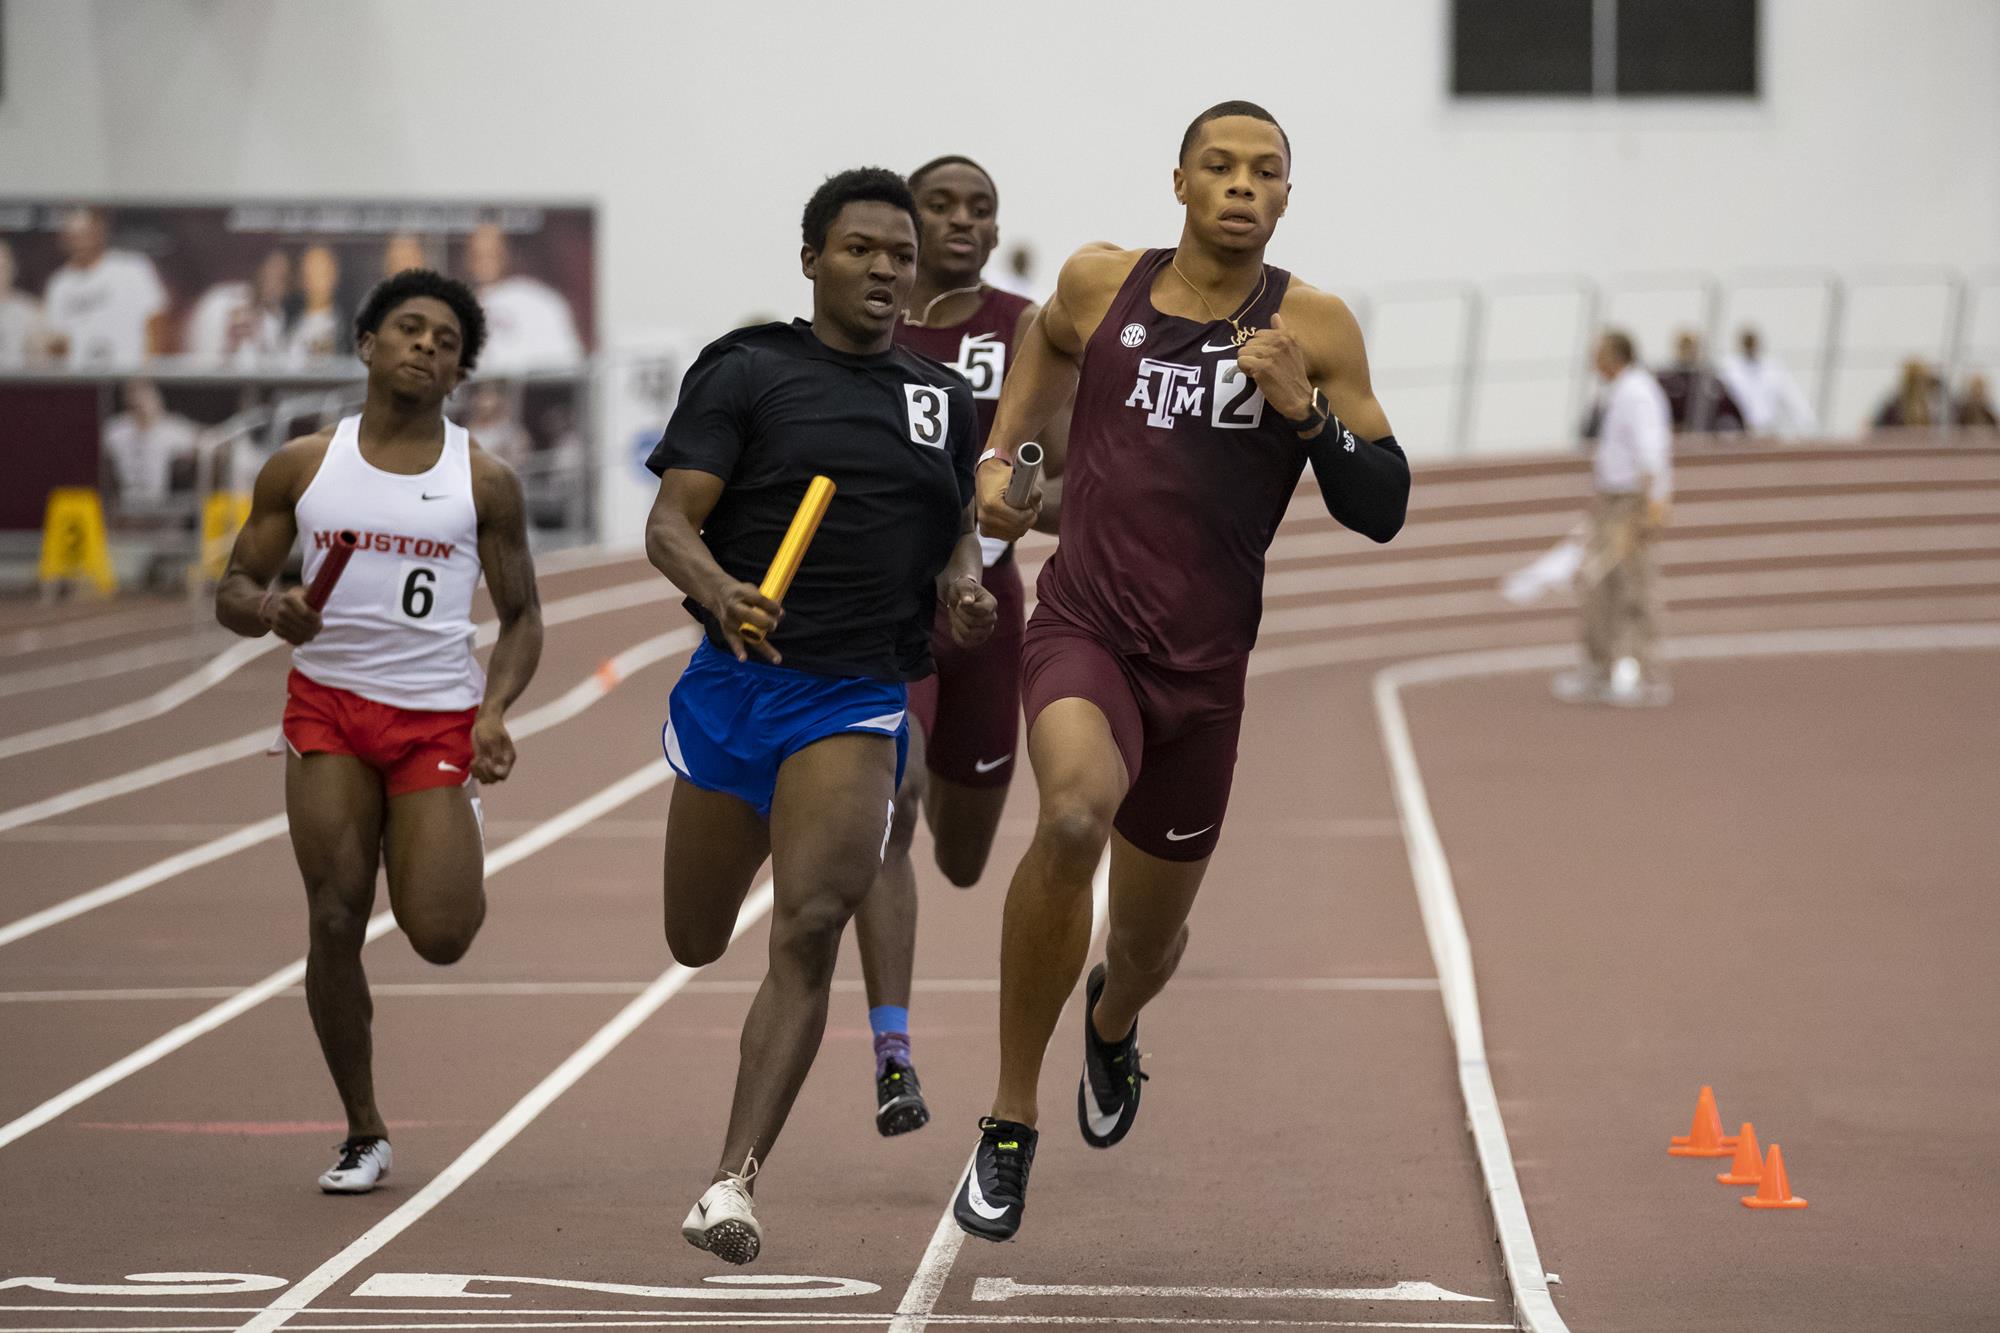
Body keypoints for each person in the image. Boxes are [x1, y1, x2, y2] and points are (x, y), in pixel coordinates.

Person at [951, 101, 1410, 1242]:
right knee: (1067, 820)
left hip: (1203, 673)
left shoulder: (1314, 323)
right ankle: (1008, 1123)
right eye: (1220, 166)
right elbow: (1043, 344)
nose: (1241, 185)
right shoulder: (1098, 280)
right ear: (1179, 182)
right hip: (1083, 628)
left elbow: (1383, 507)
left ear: (1286, 198)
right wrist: (1005, 455)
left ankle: (1111, 1022)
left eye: (1265, 172)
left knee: (1148, 946)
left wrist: (1305, 413)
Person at [645, 168, 995, 1264]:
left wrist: (963, 581)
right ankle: (733, 1155)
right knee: (694, 938)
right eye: (860, 250)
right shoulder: (747, 372)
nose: (886, 268)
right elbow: (668, 523)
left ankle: (731, 1181)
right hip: (732, 692)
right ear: (811, 260)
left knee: (807, 929)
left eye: (898, 252)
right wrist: (718, 592)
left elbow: (953, 528)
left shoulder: (938, 397)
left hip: (852, 696)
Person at [213, 268, 543, 1195]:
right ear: (367, 345)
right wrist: (270, 608)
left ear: (458, 373)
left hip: (435, 712)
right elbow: (232, 593)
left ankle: (456, 817)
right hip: (327, 709)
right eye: (409, 328)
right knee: (333, 913)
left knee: (440, 934)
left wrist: (494, 712)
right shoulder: (305, 464)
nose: (426, 346)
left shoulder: (483, 479)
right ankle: (363, 1128)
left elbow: (523, 617)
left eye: (446, 341)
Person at [844, 154, 1069, 1140]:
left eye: (981, 207)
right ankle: (893, 1054)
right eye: (941, 205)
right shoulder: (864, 327)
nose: (963, 222)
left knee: (966, 857)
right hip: (883, 609)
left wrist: (1014, 511)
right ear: (905, 218)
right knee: (887, 809)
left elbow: (1070, 482)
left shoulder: (1024, 328)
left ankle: (938, 769)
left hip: (983, 605)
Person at [1553, 330, 1672, 707]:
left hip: (1630, 499)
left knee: (1633, 583)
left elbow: (1651, 448)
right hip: (1611, 498)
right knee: (1597, 583)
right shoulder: (1618, 391)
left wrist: (1652, 506)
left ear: (1614, 355)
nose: (1592, 361)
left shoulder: (1639, 392)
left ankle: (1639, 670)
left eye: (1597, 353)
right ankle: (1599, 665)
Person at [42, 208, 169, 368]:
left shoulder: (132, 267)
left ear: (99, 231)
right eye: (74, 236)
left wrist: (147, 369)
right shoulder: (60, 283)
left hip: (131, 373)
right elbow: (57, 341)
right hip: (82, 379)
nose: (81, 242)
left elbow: (156, 321)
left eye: (86, 233)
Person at [463, 222, 584, 371]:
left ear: (507, 251)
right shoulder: (455, 306)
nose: (484, 259)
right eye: (477, 253)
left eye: (492, 252)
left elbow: (567, 367)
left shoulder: (540, 301)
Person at [102, 379, 200, 513]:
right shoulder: (115, 430)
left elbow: (205, 447)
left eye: (144, 393)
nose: (138, 399)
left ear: (156, 398)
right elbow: (102, 467)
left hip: (162, 508)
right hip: (124, 508)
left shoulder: (173, 428)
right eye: (133, 393)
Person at [185, 248, 294, 367]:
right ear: (258, 271)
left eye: (282, 278)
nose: (275, 285)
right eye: (270, 274)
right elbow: (202, 360)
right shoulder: (221, 302)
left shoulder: (273, 320)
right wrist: (232, 345)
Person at [1718, 326, 1815, 438]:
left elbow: (1793, 399)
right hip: (1739, 434)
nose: (1750, 346)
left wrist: (1807, 426)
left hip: (1767, 432)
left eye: (1752, 342)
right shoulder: (1728, 369)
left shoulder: (1772, 369)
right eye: (1747, 342)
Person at [1656, 330, 1742, 434]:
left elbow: (1730, 413)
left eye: (1692, 346)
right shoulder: (1665, 381)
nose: (1688, 350)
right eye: (1684, 346)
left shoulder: (1710, 382)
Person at [286, 244, 346, 364]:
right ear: (301, 278)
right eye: (309, 271)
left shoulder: (349, 326)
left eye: (321, 271)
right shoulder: (286, 320)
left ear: (334, 275)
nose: (314, 279)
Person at [0, 238, 48, 368]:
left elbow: (42, 361)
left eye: (3, 267)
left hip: (18, 385)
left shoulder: (30, 311)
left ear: (13, 269)